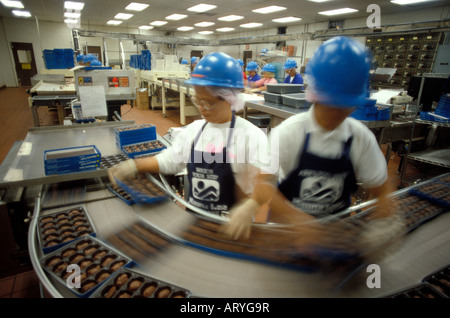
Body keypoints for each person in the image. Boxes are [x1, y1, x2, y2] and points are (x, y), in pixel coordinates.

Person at [223, 36, 404, 240]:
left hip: (334, 237)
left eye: (344, 105)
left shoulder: (360, 137)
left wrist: (385, 214)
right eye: (331, 103)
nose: (337, 112)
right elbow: (265, 183)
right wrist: (295, 219)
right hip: (285, 234)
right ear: (316, 95)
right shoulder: (289, 132)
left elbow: (381, 187)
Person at [108, 52, 268, 216]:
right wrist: (135, 165)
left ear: (230, 99)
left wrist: (251, 205)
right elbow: (170, 160)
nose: (201, 107)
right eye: (198, 100)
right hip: (194, 222)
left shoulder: (250, 136)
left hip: (231, 228)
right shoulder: (195, 130)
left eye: (209, 102)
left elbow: (267, 182)